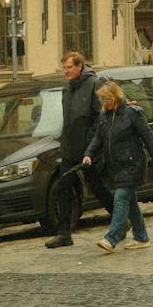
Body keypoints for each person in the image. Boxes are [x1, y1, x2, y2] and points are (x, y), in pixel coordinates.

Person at [82, 79, 153, 253]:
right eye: (101, 100)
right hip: (116, 167)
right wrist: (88, 154)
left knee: (120, 199)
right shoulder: (104, 116)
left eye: (106, 99)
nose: (103, 103)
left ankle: (112, 238)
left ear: (115, 97)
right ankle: (141, 237)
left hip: (133, 164)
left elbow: (148, 137)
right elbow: (98, 138)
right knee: (130, 202)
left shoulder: (132, 113)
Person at [45, 51, 101, 249]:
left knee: (98, 186)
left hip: (87, 148)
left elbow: (98, 117)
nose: (66, 71)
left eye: (69, 67)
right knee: (63, 187)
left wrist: (91, 141)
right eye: (64, 68)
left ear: (79, 66)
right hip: (69, 146)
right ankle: (64, 233)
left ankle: (123, 219)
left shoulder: (93, 84)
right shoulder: (66, 88)